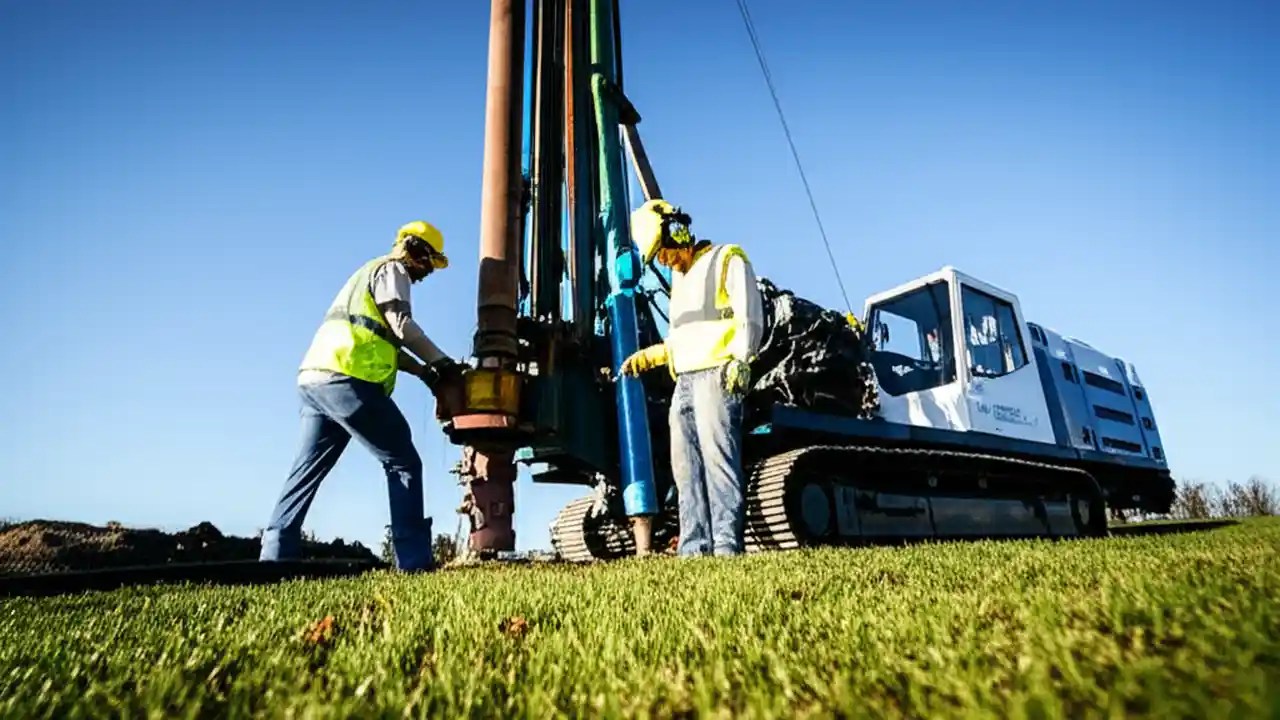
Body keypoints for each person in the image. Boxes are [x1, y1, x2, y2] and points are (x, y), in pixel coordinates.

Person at [259, 220, 464, 571]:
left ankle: (275, 554)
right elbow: (402, 325)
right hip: (347, 379)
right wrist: (442, 363)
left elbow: (383, 342)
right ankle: (414, 563)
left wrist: (424, 372)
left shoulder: (366, 275)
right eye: (428, 262)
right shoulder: (392, 269)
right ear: (414, 249)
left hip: (315, 380)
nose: (427, 272)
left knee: (307, 469)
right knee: (403, 461)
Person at [619, 199, 764, 557]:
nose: (663, 261)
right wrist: (651, 356)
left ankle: (727, 546)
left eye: (662, 252)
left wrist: (742, 358)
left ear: (677, 232)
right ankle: (694, 547)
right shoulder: (680, 282)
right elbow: (683, 337)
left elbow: (750, 313)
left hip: (718, 373)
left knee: (719, 462)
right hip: (683, 380)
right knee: (685, 469)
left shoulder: (726, 259)